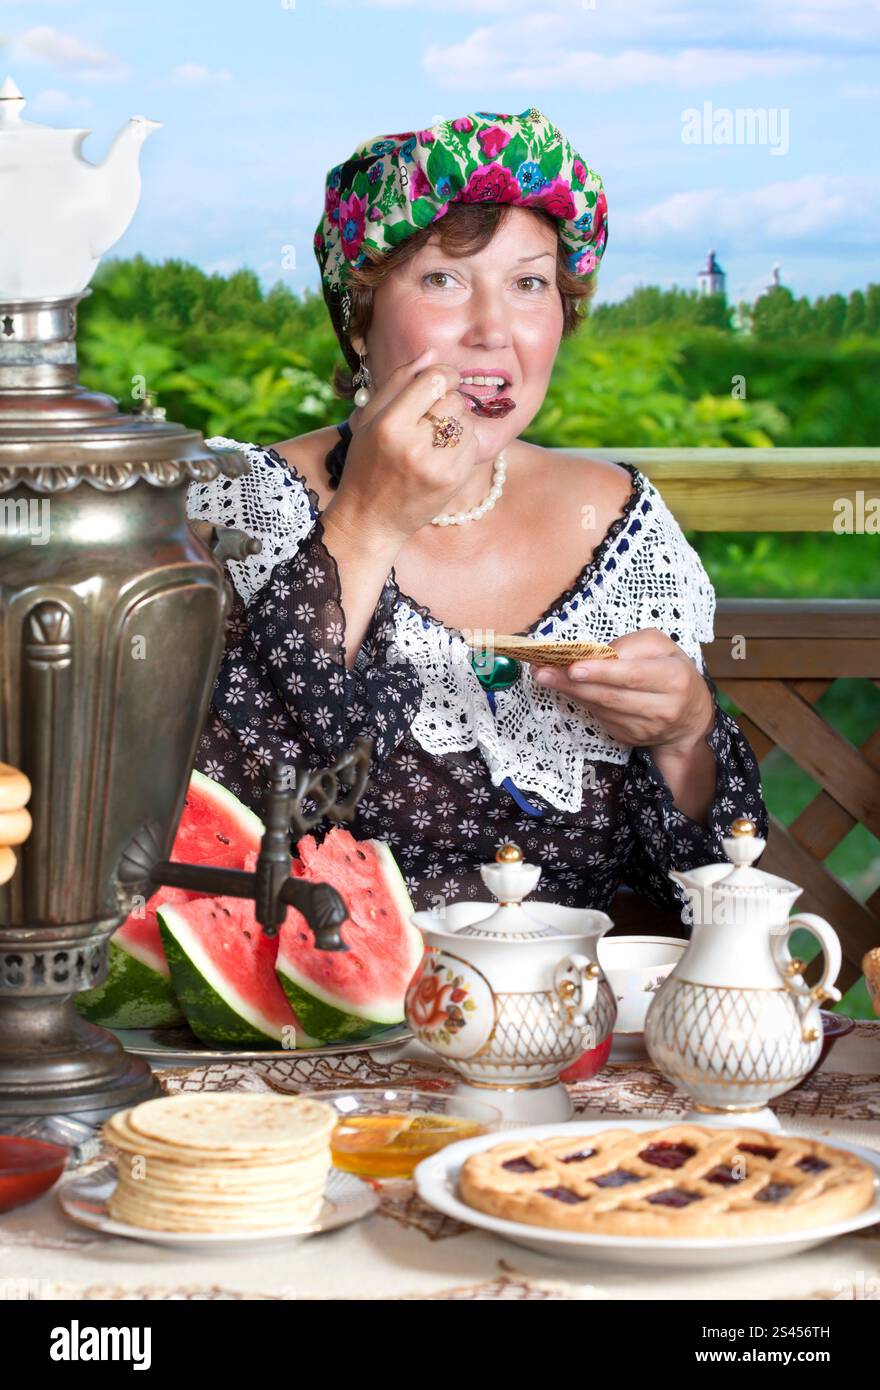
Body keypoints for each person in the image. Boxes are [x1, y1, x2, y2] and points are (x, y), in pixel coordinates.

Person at [186, 105, 766, 915]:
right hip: (328, 1029)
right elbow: (226, 847)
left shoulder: (623, 522)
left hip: (587, 1024)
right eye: (443, 280)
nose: (494, 330)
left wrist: (684, 737)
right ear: (359, 320)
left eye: (530, 284)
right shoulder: (240, 510)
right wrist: (367, 522)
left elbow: (713, 901)